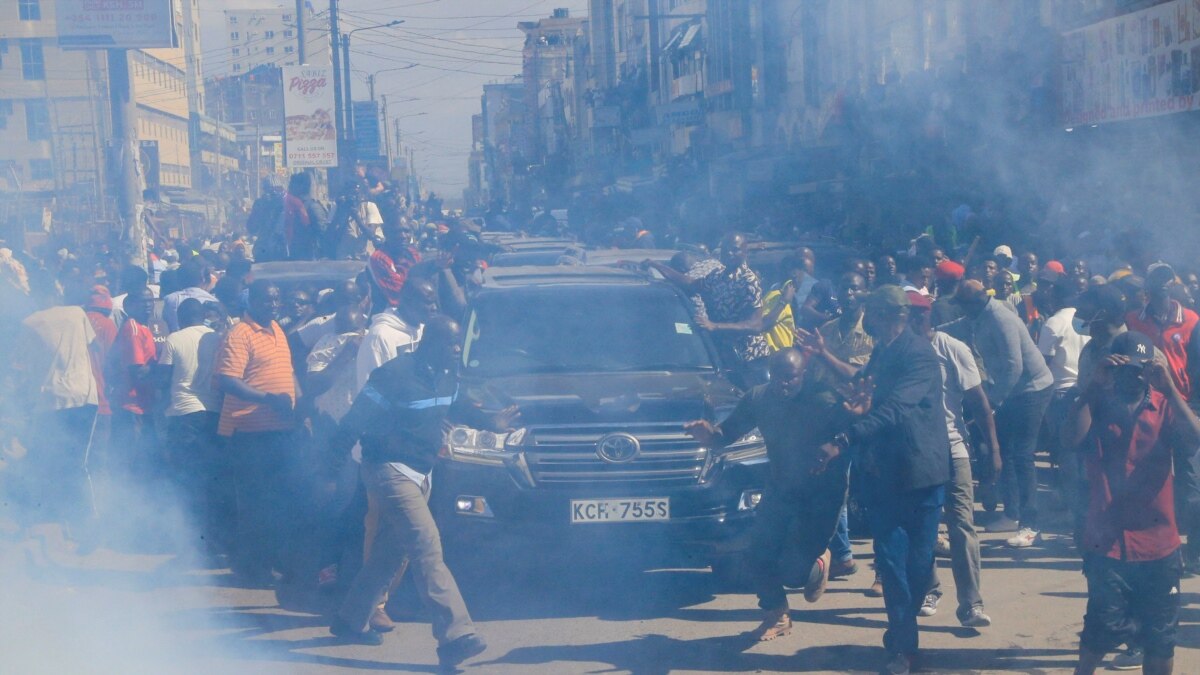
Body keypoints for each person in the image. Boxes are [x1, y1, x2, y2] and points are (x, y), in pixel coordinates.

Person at [326, 316, 496, 671]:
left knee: (390, 552)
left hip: (421, 472)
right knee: (426, 544)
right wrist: (331, 467)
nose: (456, 350)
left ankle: (349, 619)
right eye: (451, 343)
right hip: (388, 470)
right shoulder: (393, 375)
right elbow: (354, 421)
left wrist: (492, 423)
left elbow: (457, 405)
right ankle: (456, 637)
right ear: (432, 343)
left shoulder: (448, 375)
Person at [811, 285, 950, 675]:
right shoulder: (883, 350)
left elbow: (895, 408)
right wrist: (827, 360)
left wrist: (844, 438)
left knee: (919, 567)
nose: (864, 318)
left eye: (870, 311)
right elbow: (865, 381)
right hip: (884, 475)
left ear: (890, 314)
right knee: (890, 563)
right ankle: (903, 645)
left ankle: (904, 630)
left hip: (922, 473)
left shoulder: (919, 354)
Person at [684, 349, 848, 641]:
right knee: (758, 552)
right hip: (781, 486)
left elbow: (854, 433)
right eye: (778, 378)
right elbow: (728, 433)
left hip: (821, 492)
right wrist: (710, 435)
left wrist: (835, 446)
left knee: (795, 574)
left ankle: (819, 561)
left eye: (791, 378)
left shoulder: (823, 397)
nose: (784, 385)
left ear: (803, 375)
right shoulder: (758, 398)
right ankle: (776, 614)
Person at [1067, 332, 1200, 675]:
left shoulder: (1164, 404)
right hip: (1107, 545)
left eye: (1142, 370)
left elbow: (1195, 439)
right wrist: (1092, 386)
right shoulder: (1095, 402)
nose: (1135, 377)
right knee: (1099, 632)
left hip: (1159, 546)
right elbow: (1071, 439)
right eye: (1126, 369)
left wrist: (1170, 388)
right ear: (1112, 368)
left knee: (1160, 638)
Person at [908, 291, 998, 628]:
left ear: (929, 315)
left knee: (961, 526)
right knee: (923, 528)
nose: (913, 320)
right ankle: (930, 588)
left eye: (919, 314)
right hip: (916, 453)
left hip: (953, 449)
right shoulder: (898, 352)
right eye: (908, 314)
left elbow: (979, 402)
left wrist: (993, 449)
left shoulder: (952, 349)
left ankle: (971, 603)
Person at [955, 279, 1054, 547]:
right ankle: (1012, 513)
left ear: (975, 302)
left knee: (1021, 454)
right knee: (1006, 452)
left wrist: (995, 402)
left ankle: (1031, 524)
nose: (962, 311)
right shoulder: (978, 314)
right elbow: (959, 327)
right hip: (1011, 391)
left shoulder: (1000, 318)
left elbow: (1014, 366)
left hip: (1032, 389)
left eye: (963, 306)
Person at [213, 280, 299, 585]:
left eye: (276, 299)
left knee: (276, 501)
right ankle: (251, 569)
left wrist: (297, 403)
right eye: (266, 300)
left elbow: (287, 372)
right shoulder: (240, 334)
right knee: (254, 504)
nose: (273, 305)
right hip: (249, 433)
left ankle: (270, 562)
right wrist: (267, 399)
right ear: (252, 301)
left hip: (279, 431)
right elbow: (227, 380)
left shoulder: (277, 330)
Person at [1125, 263, 1200, 574]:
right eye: (1157, 280)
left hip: (1182, 407)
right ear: (1149, 287)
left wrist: (1194, 408)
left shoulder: (1192, 321)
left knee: (1191, 482)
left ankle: (1195, 552)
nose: (1164, 285)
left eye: (1168, 279)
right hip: (1145, 407)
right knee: (1147, 478)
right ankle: (1154, 548)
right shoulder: (1133, 320)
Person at [13, 287, 101, 545]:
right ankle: (84, 519)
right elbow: (94, 346)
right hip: (83, 395)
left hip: (49, 398)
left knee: (47, 458)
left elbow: (21, 365)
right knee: (79, 461)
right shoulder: (76, 313)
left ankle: (41, 518)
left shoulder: (29, 322)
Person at [647, 232, 771, 387]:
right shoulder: (718, 275)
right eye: (725, 249)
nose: (729, 253)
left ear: (745, 252)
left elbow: (755, 325)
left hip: (750, 360)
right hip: (727, 357)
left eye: (735, 249)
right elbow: (691, 284)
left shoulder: (748, 280)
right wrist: (657, 266)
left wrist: (714, 325)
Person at [156, 298, 224, 551]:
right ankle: (211, 536)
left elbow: (163, 379)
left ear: (181, 317)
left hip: (183, 414)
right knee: (210, 477)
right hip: (213, 413)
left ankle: (188, 536)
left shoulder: (174, 338)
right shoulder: (216, 337)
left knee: (185, 477)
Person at [107, 285, 159, 480]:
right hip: (132, 404)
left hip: (142, 404)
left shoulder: (144, 327)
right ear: (130, 305)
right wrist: (162, 367)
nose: (148, 305)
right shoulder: (133, 328)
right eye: (142, 302)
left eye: (150, 301)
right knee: (134, 461)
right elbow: (138, 371)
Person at [357, 278, 439, 393]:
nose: (435, 308)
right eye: (428, 302)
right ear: (407, 302)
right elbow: (369, 389)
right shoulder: (380, 337)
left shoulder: (425, 329)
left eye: (435, 302)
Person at [368, 222, 422, 312]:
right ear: (386, 233)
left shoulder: (412, 253)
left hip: (416, 307)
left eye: (407, 231)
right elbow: (398, 293)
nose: (403, 236)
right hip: (390, 313)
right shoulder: (379, 258)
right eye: (397, 232)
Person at [162, 258, 218, 333]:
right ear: (202, 279)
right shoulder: (212, 301)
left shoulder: (170, 299)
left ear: (178, 280)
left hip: (177, 342)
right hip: (206, 342)